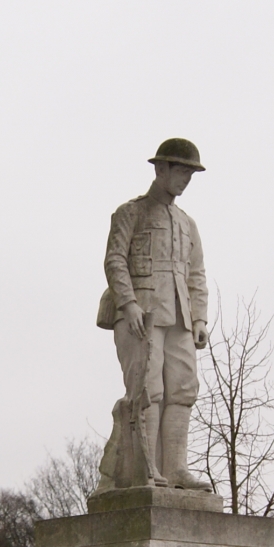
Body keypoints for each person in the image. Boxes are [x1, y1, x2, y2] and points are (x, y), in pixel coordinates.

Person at [98, 138, 211, 489]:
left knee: (182, 387)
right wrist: (128, 303)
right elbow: (115, 260)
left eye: (190, 174)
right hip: (141, 313)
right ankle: (143, 468)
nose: (186, 180)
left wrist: (199, 319)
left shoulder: (187, 223)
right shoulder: (130, 213)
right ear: (160, 169)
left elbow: (196, 274)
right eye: (181, 171)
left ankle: (175, 468)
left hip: (179, 315)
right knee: (147, 389)